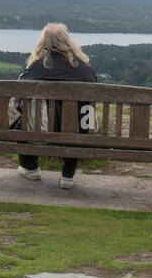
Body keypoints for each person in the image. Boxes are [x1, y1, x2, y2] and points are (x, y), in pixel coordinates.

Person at [14, 23, 98, 189]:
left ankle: (30, 168)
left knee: (20, 126)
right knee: (78, 122)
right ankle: (68, 175)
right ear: (67, 41)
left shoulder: (34, 68)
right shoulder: (83, 70)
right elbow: (90, 102)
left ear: (43, 43)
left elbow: (20, 103)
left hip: (40, 128)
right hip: (76, 131)